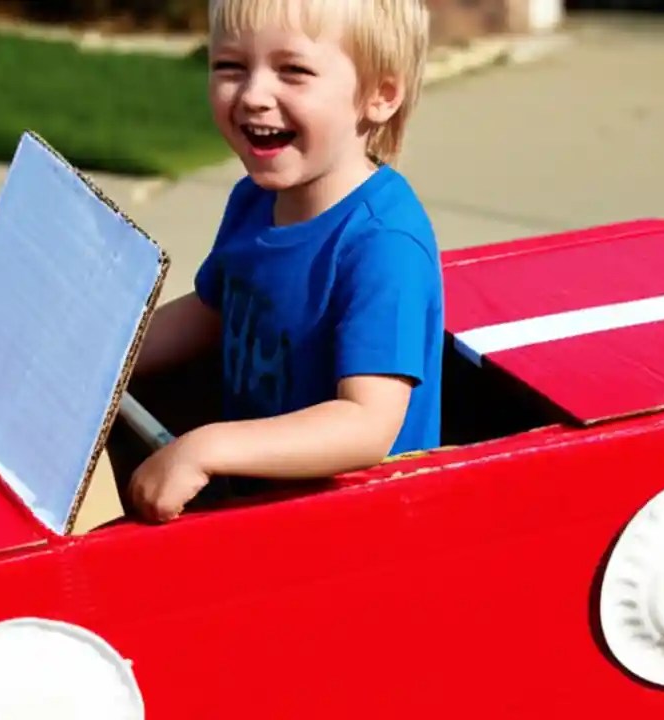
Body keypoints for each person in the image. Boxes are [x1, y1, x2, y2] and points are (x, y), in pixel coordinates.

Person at [126, 0, 443, 523]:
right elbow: (215, 310)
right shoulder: (255, 199)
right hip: (256, 504)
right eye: (229, 66)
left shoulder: (382, 244)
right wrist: (105, 359)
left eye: (293, 71)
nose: (253, 95)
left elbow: (367, 423)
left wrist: (206, 447)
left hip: (354, 532)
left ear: (380, 95)